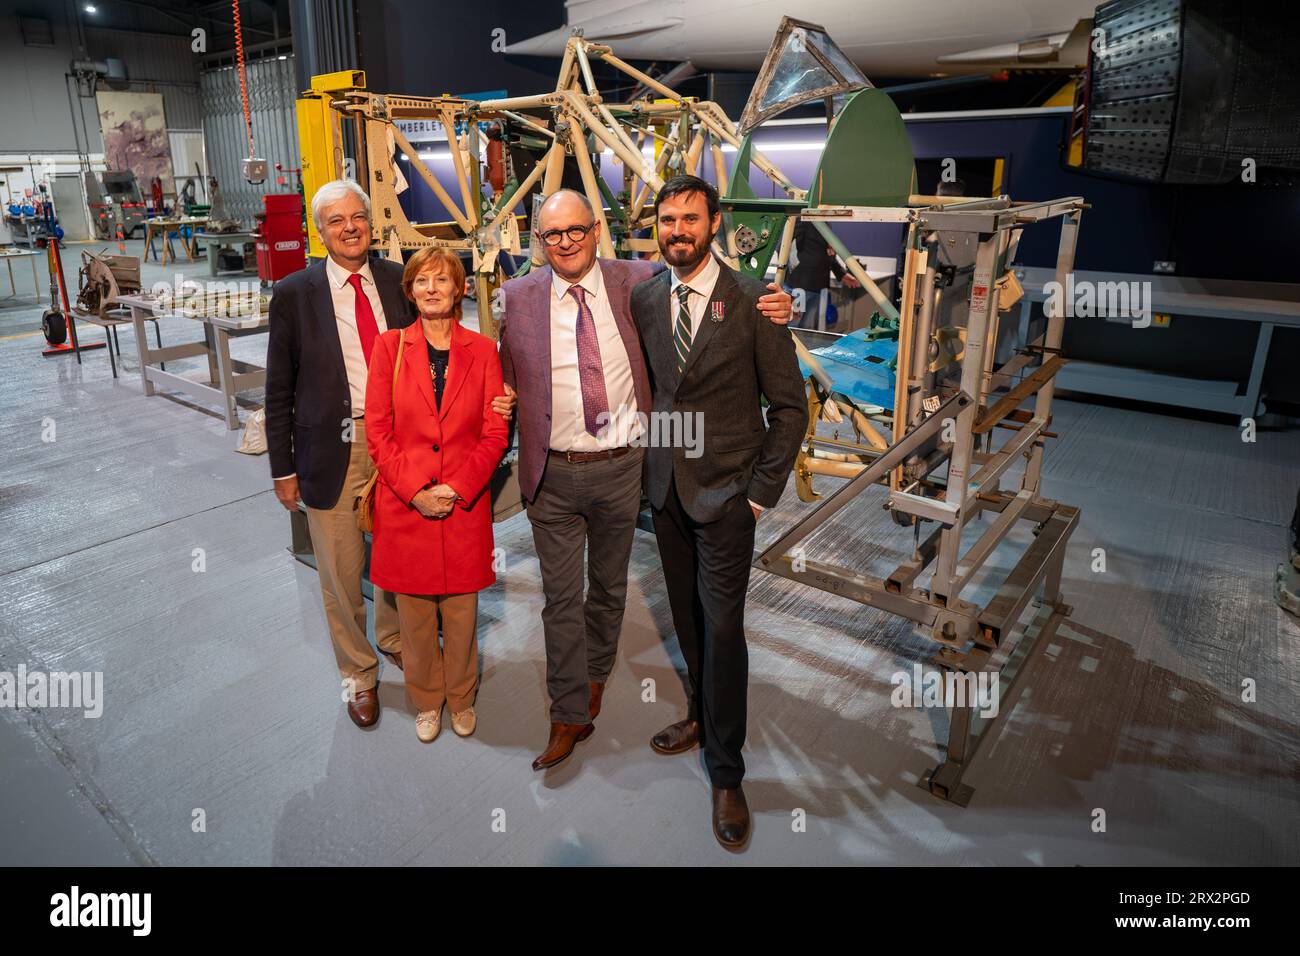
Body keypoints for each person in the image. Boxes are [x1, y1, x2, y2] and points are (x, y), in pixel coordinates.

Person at [498, 189, 793, 772]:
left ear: (597, 230)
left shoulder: (636, 282)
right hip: (560, 474)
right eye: (553, 235)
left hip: (631, 471)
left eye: (577, 230)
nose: (566, 243)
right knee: (564, 600)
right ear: (539, 241)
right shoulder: (521, 294)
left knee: (623, 595)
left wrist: (780, 305)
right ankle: (570, 710)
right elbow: (504, 369)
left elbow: (712, 292)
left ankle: (622, 694)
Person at [266, 178, 511, 729]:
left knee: (402, 562)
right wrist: (283, 468)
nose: (350, 227)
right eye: (336, 220)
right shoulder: (294, 294)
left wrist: (494, 401)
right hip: (334, 448)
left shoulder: (394, 280)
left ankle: (401, 641)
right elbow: (279, 388)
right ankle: (359, 673)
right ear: (320, 230)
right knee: (342, 569)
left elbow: (441, 354)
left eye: (358, 217)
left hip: (406, 443)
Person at [629, 175, 806, 849]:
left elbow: (790, 408)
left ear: (714, 223)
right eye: (668, 219)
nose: (678, 230)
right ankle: (701, 716)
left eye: (690, 219)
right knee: (687, 621)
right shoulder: (647, 297)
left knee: (724, 628)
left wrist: (761, 493)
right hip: (668, 490)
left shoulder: (755, 302)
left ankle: (727, 773)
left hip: (731, 496)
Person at [365, 247, 509, 741]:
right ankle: (426, 700)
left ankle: (461, 696)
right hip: (407, 505)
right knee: (416, 615)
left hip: (462, 504)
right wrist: (417, 491)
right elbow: (378, 434)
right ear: (409, 291)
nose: (431, 289)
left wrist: (459, 487)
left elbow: (495, 433)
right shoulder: (389, 348)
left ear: (459, 289)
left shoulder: (484, 351)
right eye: (421, 281)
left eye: (441, 280)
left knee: (464, 612)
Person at [786, 219, 860, 330]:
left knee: (807, 330)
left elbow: (827, 251)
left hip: (816, 286)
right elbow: (784, 245)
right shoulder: (803, 217)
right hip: (800, 286)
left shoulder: (823, 220)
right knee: (793, 328)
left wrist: (841, 274)